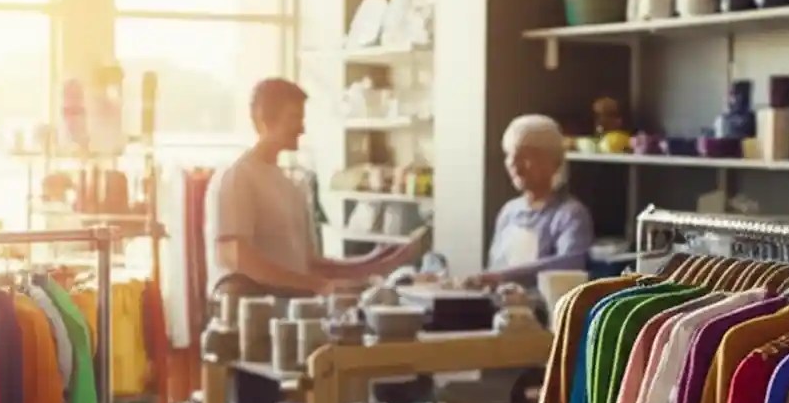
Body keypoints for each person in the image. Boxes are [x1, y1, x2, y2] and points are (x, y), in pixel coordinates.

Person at [206, 77, 422, 296]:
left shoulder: (290, 185)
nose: (302, 128)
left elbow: (310, 266)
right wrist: (317, 286)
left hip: (291, 310)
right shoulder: (237, 177)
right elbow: (235, 257)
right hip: (253, 314)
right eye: (294, 118)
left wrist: (378, 264)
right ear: (263, 119)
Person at [465, 114, 593, 288]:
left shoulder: (570, 214)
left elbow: (570, 266)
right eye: (510, 156)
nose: (514, 165)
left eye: (525, 156)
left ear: (554, 162)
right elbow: (494, 268)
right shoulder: (509, 212)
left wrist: (502, 277)